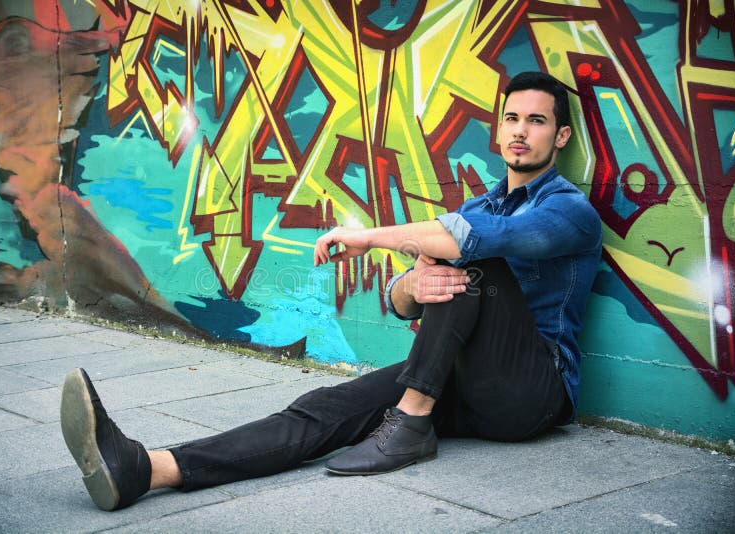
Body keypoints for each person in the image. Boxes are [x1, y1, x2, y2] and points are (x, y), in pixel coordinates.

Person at [59, 71, 602, 511]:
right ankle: (148, 468)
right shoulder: (479, 205)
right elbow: (398, 301)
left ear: (560, 137)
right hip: (463, 382)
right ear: (499, 128)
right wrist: (410, 280)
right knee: (325, 407)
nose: (520, 131)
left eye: (536, 121)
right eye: (512, 118)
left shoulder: (568, 211)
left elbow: (476, 244)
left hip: (533, 395)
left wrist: (367, 237)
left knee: (466, 259)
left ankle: (410, 423)